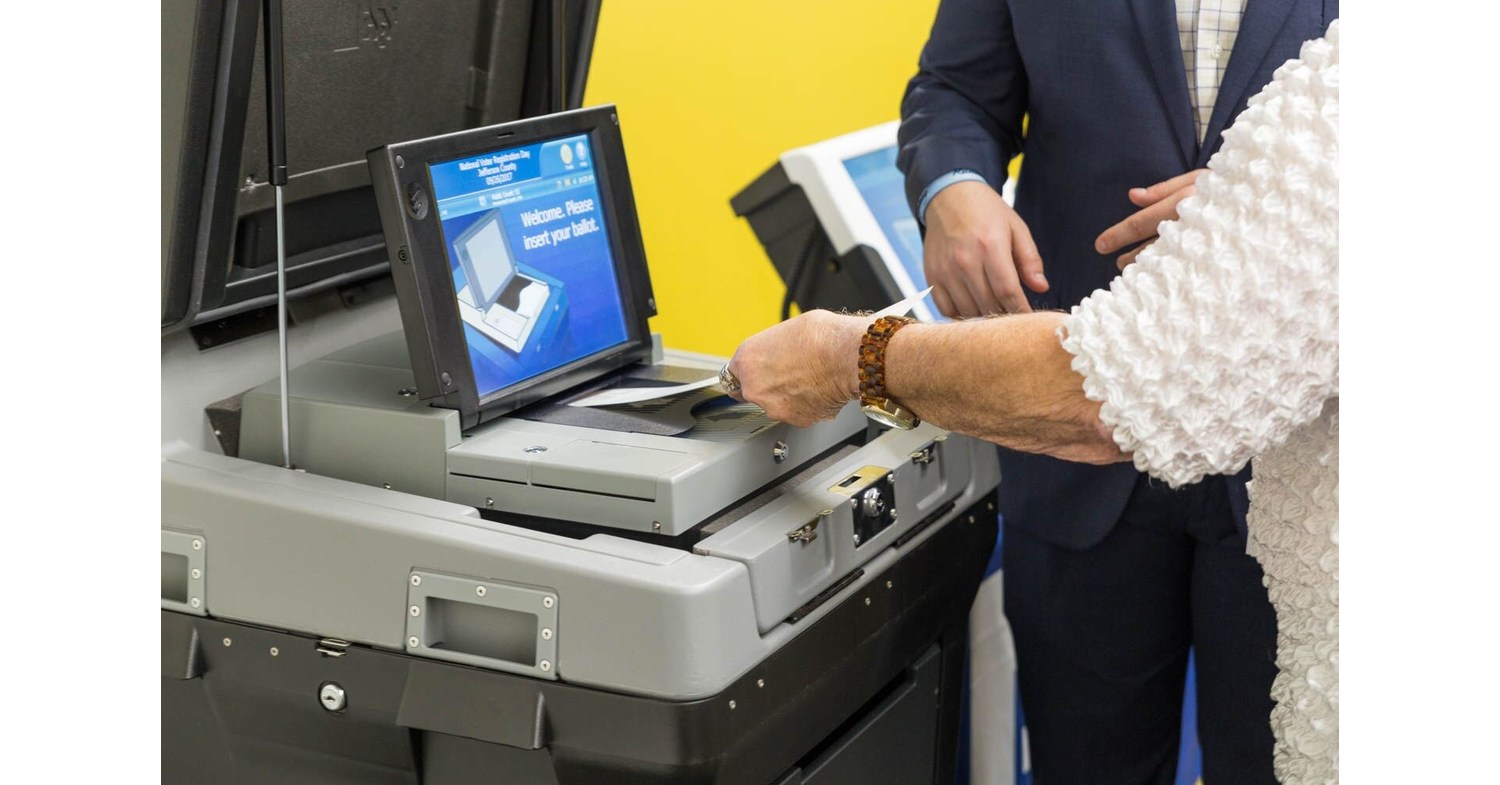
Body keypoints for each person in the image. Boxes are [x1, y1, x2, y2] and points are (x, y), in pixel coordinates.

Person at [723, 20, 1339, 785]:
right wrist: (955, 188)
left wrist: (849, 357)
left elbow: (1103, 394)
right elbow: (952, 87)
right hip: (1075, 479)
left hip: (1292, 453)